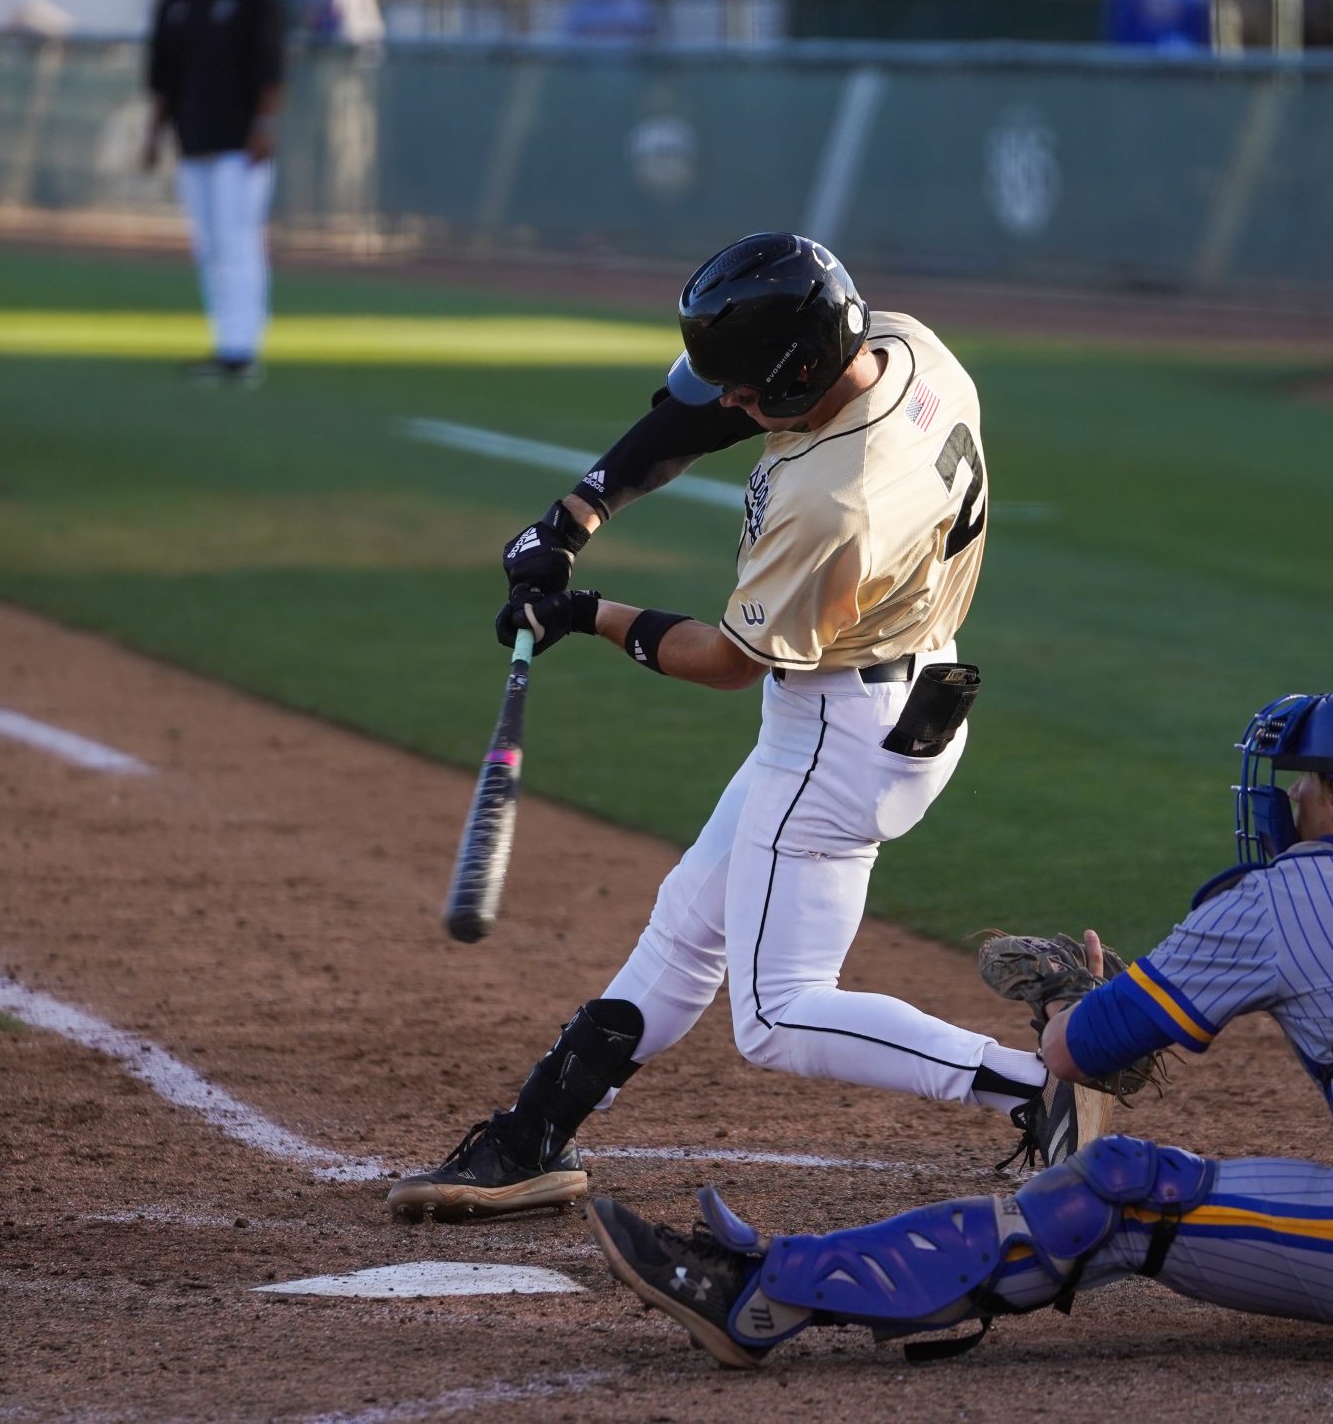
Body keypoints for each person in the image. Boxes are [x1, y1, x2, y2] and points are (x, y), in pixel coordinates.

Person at [584, 682, 1333, 1370]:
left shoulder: (1285, 895)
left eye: (1295, 779)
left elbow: (1078, 1058)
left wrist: (1080, 1004)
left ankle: (767, 1294)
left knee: (1122, 1186)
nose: (1278, 797)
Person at [386, 232, 1069, 1223]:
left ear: (798, 377)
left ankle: (1041, 1089)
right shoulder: (905, 347)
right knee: (686, 926)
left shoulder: (833, 502)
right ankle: (532, 1136)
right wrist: (574, 515)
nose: (733, 409)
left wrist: (584, 615)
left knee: (780, 1014)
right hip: (891, 697)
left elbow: (725, 660)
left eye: (751, 395)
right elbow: (697, 409)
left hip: (839, 733)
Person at [143, 0, 282, 387]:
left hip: (239, 144)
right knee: (209, 246)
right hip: (193, 141)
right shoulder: (176, 1)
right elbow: (163, 81)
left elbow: (271, 71)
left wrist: (265, 125)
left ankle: (242, 350)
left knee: (238, 242)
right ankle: (226, 343)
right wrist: (152, 137)